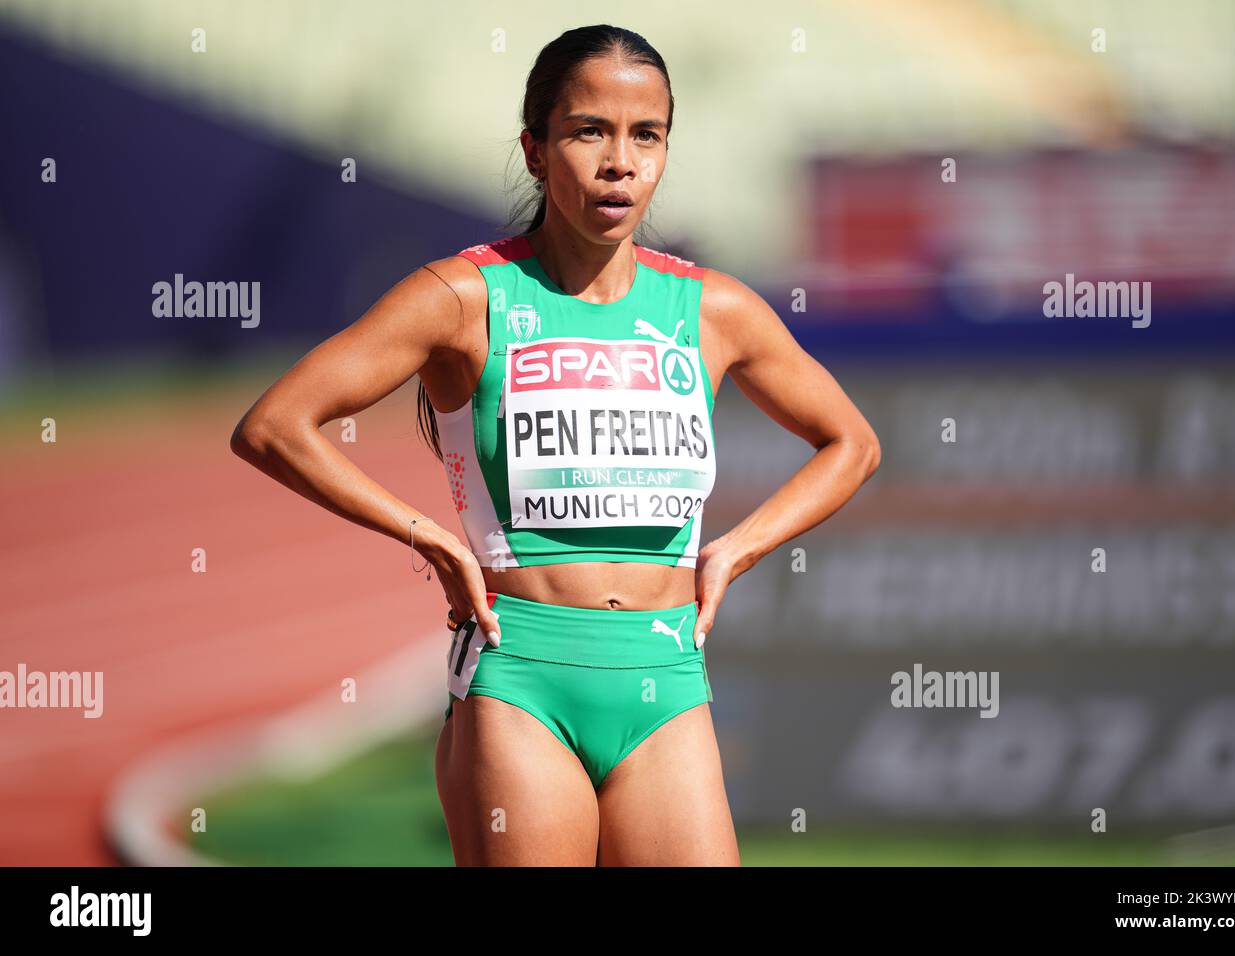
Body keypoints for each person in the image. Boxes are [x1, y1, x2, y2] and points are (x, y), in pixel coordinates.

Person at [230, 23, 880, 867]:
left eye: (646, 134)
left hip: (666, 678)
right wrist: (427, 538)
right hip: (520, 676)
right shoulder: (463, 297)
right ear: (535, 151)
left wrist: (734, 553)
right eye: (589, 132)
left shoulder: (711, 309)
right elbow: (275, 426)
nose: (621, 161)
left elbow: (851, 444)